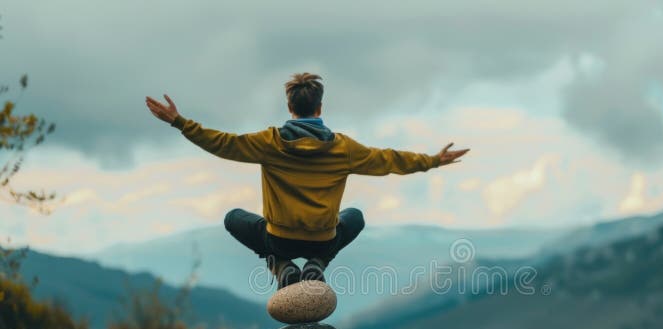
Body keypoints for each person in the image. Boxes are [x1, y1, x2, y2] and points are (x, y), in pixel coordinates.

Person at [145, 73, 469, 288]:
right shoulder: (343, 148)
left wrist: (180, 122)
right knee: (355, 217)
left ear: (289, 107)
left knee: (233, 218)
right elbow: (389, 160)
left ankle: (282, 266)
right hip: (322, 240)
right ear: (320, 107)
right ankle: (318, 263)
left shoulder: (270, 142)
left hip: (279, 240)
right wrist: (433, 161)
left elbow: (223, 143)